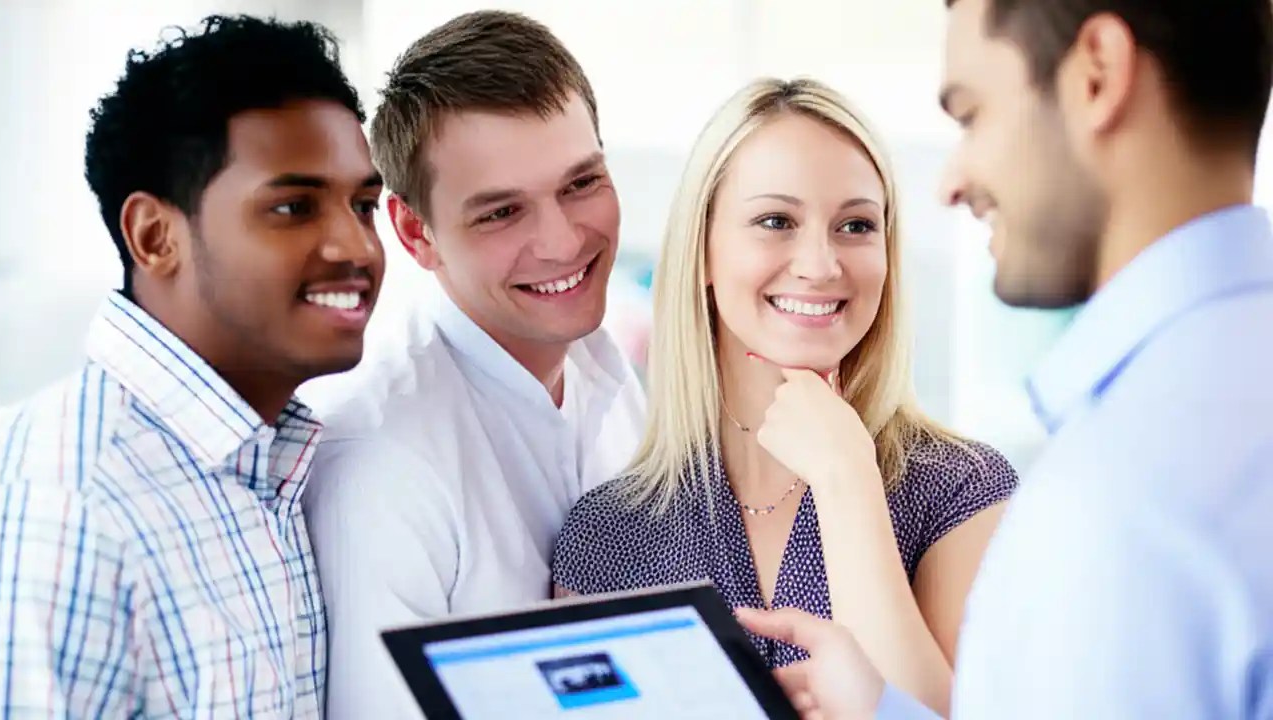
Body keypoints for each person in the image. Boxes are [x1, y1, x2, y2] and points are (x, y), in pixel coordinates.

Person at [738, 0, 1273, 717]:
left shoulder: (1124, 493)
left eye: (973, 115)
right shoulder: (1188, 420)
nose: (951, 182)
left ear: (1098, 75)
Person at [552, 77, 1018, 716]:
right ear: (702, 251)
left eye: (856, 225)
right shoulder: (607, 536)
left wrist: (846, 480)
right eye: (776, 221)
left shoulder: (963, 491)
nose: (821, 265)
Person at [0, 14, 384, 717]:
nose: (356, 247)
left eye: (364, 205)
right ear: (154, 237)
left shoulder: (275, 464)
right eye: (294, 207)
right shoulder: (70, 499)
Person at [299, 10, 646, 719]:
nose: (562, 242)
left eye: (581, 183)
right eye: (500, 213)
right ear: (414, 232)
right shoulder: (377, 466)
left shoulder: (608, 374)